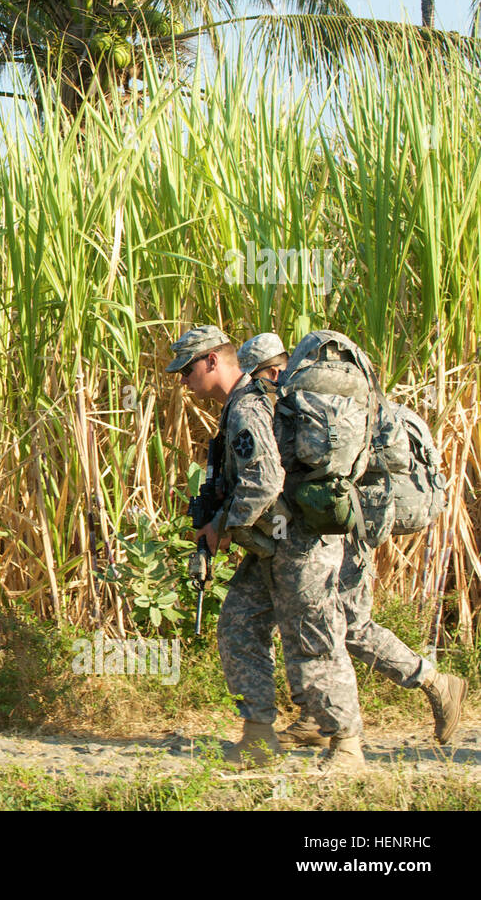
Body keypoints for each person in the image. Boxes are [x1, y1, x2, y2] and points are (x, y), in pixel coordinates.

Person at [237, 334, 467, 747]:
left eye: (259, 376)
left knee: (345, 625)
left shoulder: (296, 399)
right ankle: (315, 717)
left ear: (272, 369)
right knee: (324, 622)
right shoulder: (327, 399)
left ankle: (434, 681)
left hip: (340, 526)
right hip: (338, 520)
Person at [166, 326, 289, 768]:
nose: (184, 381)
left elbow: (266, 481)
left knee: (336, 633)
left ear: (213, 361)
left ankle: (347, 739)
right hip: (273, 544)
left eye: (188, 369)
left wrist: (222, 525)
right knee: (239, 626)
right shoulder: (237, 407)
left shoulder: (246, 408)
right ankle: (259, 738)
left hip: (292, 544)